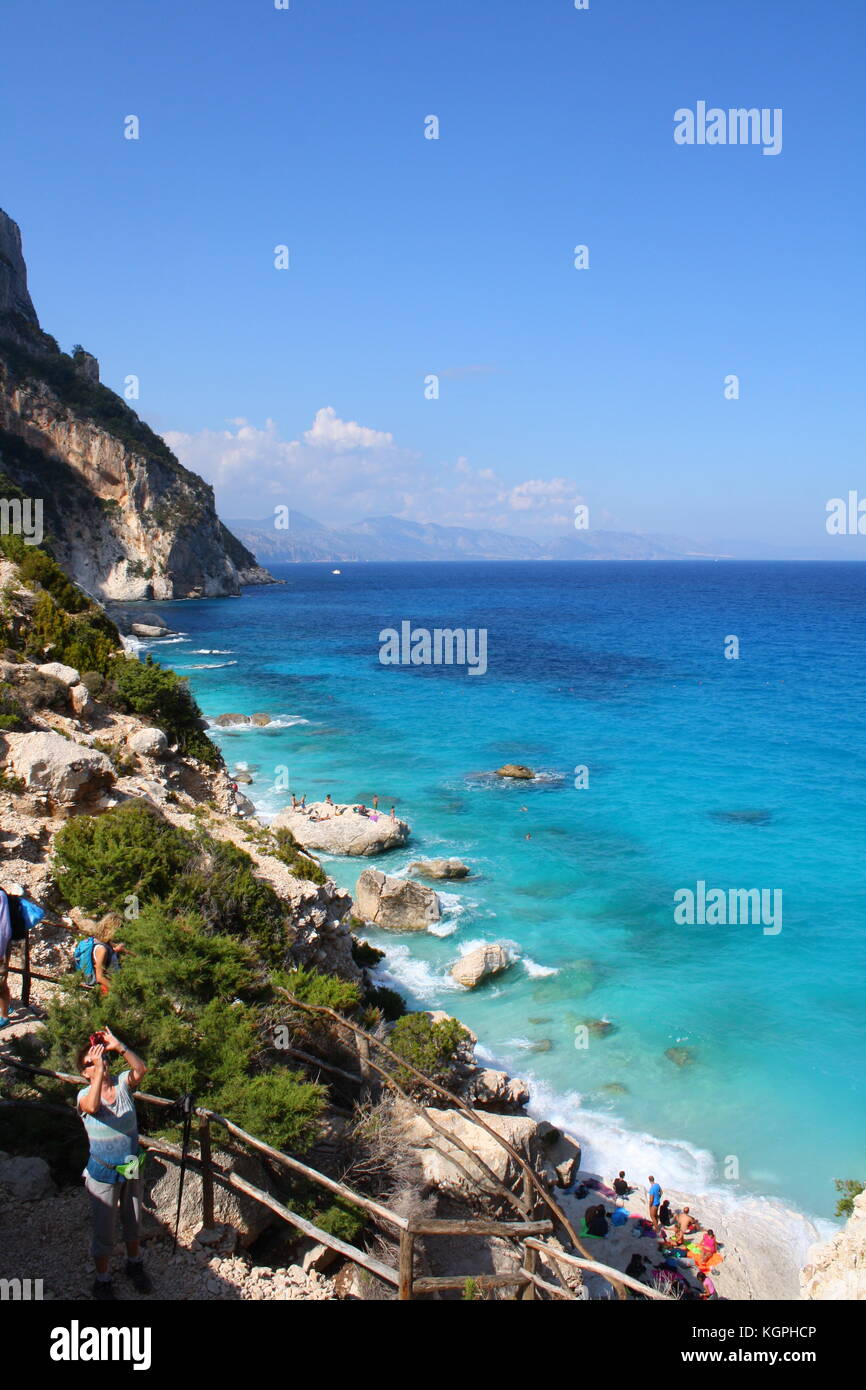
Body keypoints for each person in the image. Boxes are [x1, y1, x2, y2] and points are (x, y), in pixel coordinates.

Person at [76, 1027, 151, 1300]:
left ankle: (134, 1264)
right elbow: (93, 1107)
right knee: (104, 1228)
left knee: (133, 1218)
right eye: (90, 1064)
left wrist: (119, 1046)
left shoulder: (122, 1085)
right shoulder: (83, 1096)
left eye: (101, 1060)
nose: (98, 1064)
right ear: (84, 1073)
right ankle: (103, 1279)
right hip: (102, 1169)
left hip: (130, 1162)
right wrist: (96, 1073)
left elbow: (141, 1069)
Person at [73, 912, 125, 996]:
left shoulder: (97, 941)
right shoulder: (102, 949)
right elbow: (100, 977)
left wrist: (116, 950)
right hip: (105, 990)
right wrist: (119, 991)